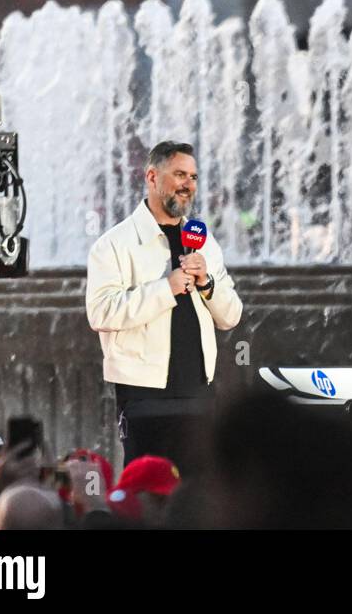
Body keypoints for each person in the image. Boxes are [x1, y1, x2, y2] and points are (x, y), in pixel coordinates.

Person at [86, 140, 243, 475]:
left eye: (194, 177)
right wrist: (165, 288)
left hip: (199, 394)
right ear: (152, 177)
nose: (188, 184)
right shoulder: (114, 244)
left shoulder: (203, 240)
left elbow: (231, 316)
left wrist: (207, 284)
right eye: (179, 174)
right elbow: (100, 312)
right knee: (148, 495)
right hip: (144, 397)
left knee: (198, 497)